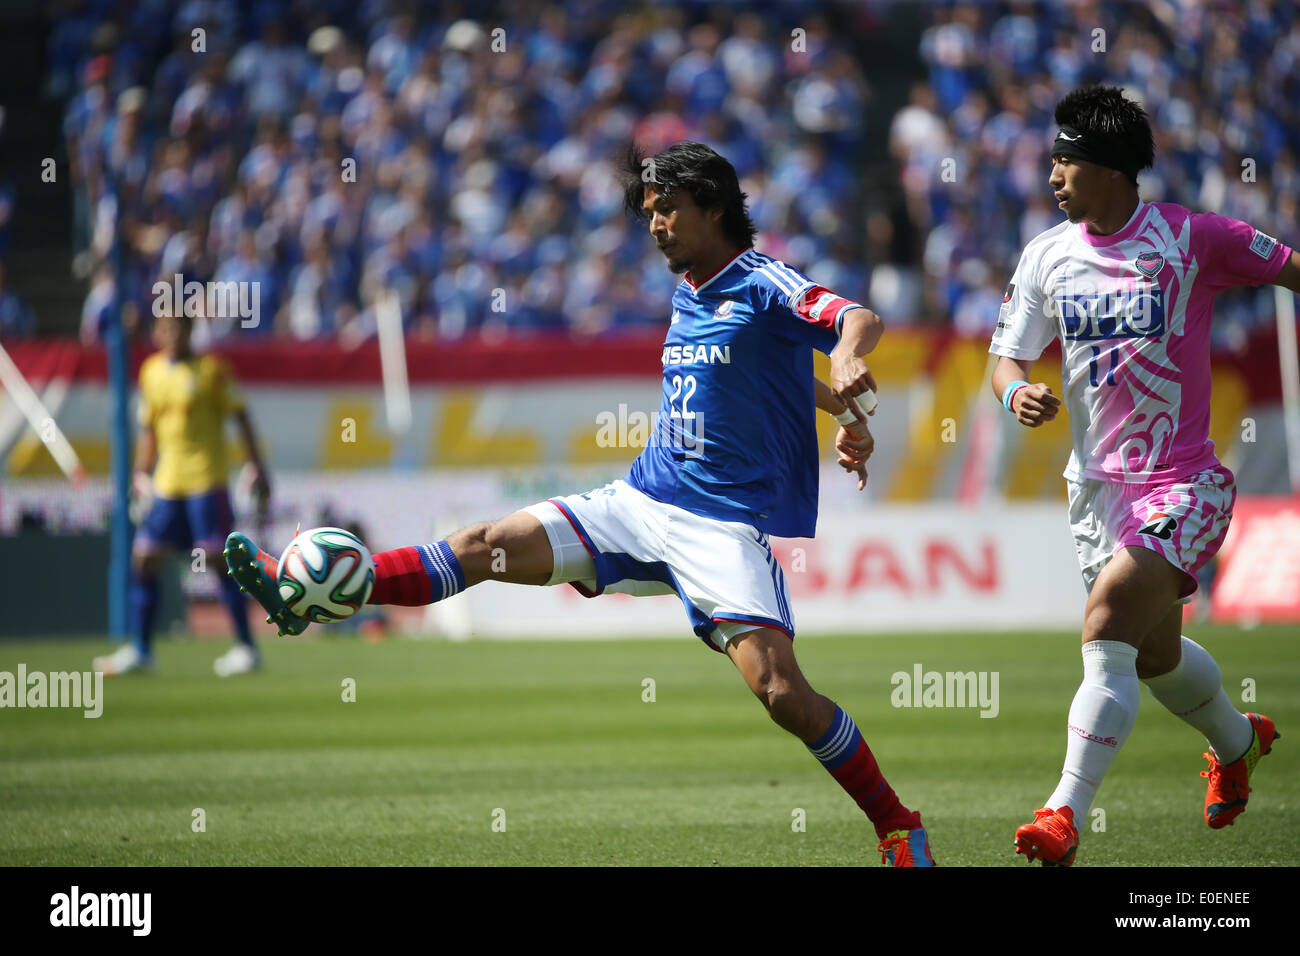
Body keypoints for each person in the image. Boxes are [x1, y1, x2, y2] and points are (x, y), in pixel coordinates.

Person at [227, 142, 934, 866]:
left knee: (781, 691)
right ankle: (327, 590)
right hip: (638, 499)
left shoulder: (757, 279)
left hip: (719, 524)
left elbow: (857, 317)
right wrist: (843, 413)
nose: (655, 226)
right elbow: (765, 376)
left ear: (714, 208)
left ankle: (897, 824)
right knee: (483, 545)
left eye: (669, 211)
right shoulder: (690, 287)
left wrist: (847, 355)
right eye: (649, 214)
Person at [990, 86, 1299, 865]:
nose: (1053, 173)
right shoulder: (1047, 255)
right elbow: (1007, 356)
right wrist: (1016, 389)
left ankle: (1064, 813)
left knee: (1104, 624)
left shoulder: (1192, 238)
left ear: (1114, 170)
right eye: (1053, 158)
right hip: (1094, 489)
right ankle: (1239, 742)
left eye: (1068, 160)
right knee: (1155, 658)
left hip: (1184, 481)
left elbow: (1293, 270)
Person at [94, 307, 271, 677]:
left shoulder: (213, 370)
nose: (172, 334)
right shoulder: (152, 372)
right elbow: (148, 429)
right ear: (157, 333)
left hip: (207, 480)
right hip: (167, 483)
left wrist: (257, 466)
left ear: (191, 331)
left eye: (179, 327)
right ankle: (142, 651)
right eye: (165, 328)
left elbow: (242, 417)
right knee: (145, 558)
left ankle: (246, 647)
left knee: (220, 561)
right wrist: (141, 474)